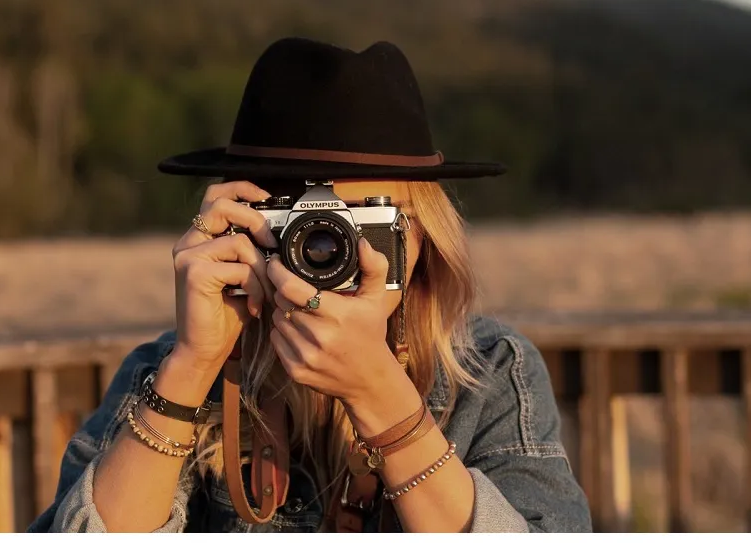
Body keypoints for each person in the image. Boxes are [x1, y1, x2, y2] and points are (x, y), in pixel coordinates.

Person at [29, 38, 591, 533]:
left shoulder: (488, 374)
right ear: (234, 225)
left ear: (421, 237)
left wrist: (384, 400)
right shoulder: (169, 374)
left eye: (362, 221)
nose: (325, 248)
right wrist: (194, 367)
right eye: (296, 222)